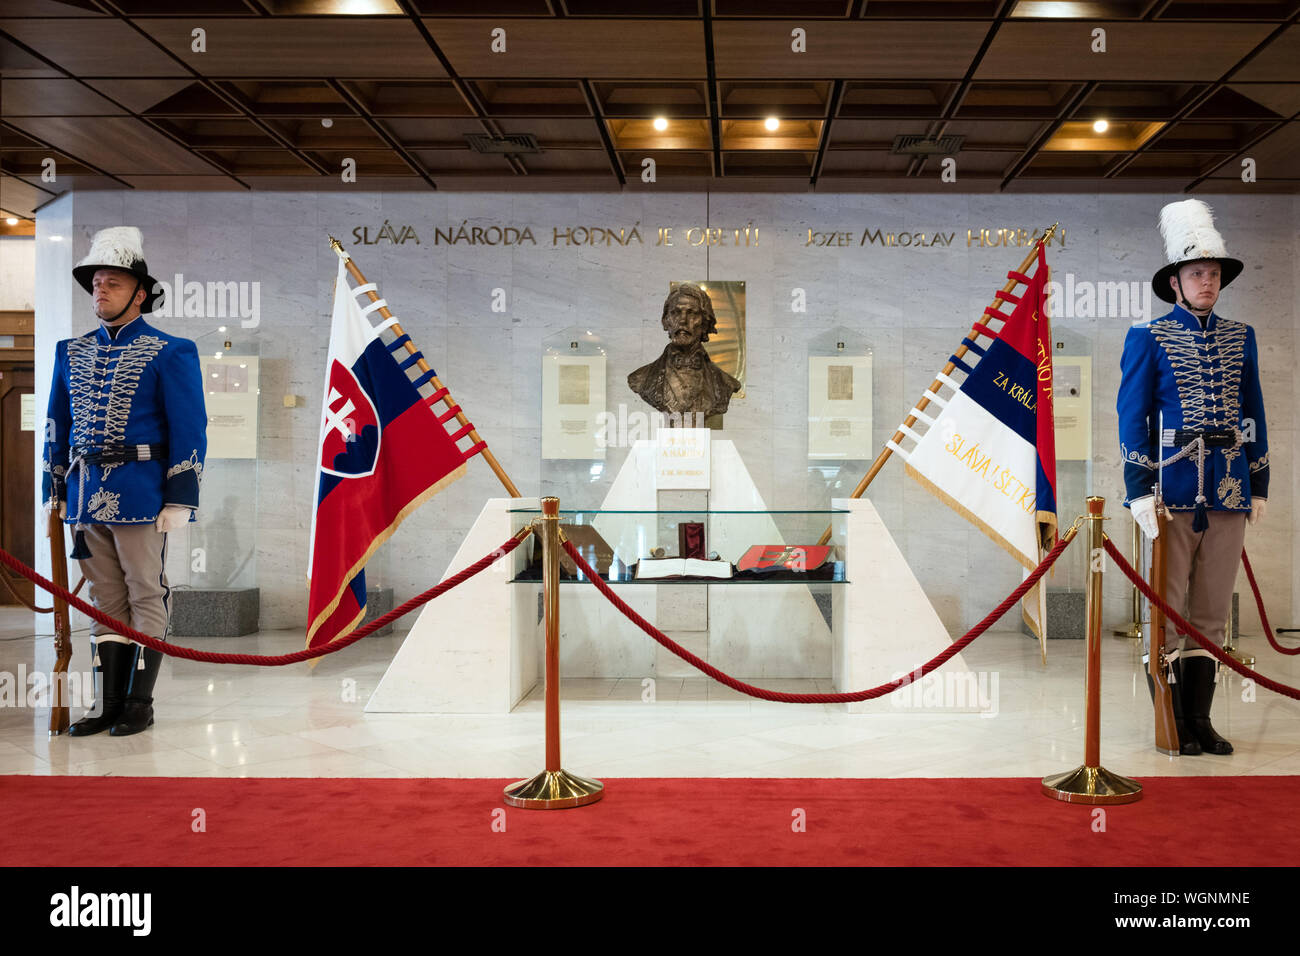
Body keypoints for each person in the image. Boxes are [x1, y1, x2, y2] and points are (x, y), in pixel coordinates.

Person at [42, 227, 207, 737]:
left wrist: (180, 496)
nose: (101, 290)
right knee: (105, 598)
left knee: (145, 593)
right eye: (96, 283)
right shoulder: (70, 351)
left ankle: (140, 702)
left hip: (142, 491)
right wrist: (54, 490)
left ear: (139, 293)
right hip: (84, 494)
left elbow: (189, 426)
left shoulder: (171, 350)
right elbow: (56, 425)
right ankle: (107, 704)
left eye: (112, 282)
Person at [1117, 199, 1268, 756]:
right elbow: (1132, 417)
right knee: (1168, 609)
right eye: (1197, 273)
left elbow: (1253, 411)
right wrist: (1138, 491)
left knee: (1211, 610)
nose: (1207, 282)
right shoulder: (1148, 337)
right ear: (1175, 282)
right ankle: (1173, 720)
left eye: (1214, 274)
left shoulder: (1241, 336)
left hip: (1229, 489)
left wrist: (1260, 483)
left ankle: (1201, 721)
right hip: (1172, 490)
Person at [628, 283, 741, 421]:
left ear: (705, 323)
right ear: (665, 321)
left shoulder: (725, 383)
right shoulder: (641, 378)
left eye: (692, 313)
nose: (682, 321)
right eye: (675, 313)